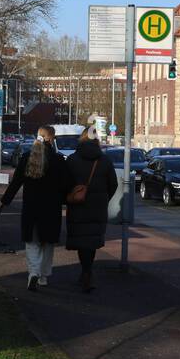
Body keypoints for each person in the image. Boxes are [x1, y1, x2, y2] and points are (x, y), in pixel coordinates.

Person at [0, 125, 70, 291]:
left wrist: (4, 201)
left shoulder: (27, 157)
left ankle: (33, 273)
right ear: (52, 139)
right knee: (47, 243)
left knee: (32, 243)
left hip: (31, 208)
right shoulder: (58, 160)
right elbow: (66, 185)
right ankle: (43, 276)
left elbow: (16, 183)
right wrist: (65, 201)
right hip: (51, 209)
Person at [64, 125, 118, 292]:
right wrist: (103, 198)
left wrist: (70, 197)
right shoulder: (105, 160)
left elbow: (65, 183)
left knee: (81, 241)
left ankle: (85, 271)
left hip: (78, 206)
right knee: (92, 241)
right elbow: (113, 184)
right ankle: (87, 272)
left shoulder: (72, 160)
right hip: (97, 207)